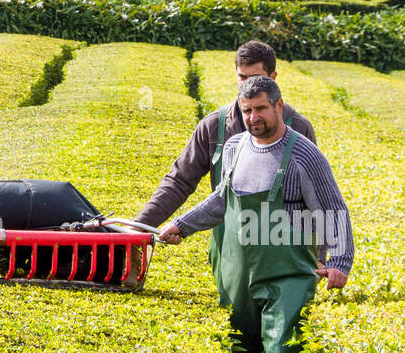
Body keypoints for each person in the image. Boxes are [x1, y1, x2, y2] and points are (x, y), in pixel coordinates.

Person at [157, 75, 354, 353]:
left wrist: (339, 261)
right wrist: (182, 224)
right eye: (247, 110)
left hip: (286, 277)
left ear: (280, 107)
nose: (253, 117)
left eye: (261, 108)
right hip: (238, 276)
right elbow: (220, 199)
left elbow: (332, 208)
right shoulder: (232, 148)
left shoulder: (303, 155)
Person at [133, 40, 317, 281]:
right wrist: (137, 227)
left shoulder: (298, 128)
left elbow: (315, 199)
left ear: (273, 77)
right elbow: (179, 181)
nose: (248, 85)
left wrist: (321, 258)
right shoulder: (214, 127)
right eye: (242, 77)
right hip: (229, 248)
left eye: (257, 77)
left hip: (283, 250)